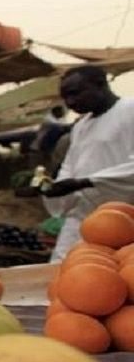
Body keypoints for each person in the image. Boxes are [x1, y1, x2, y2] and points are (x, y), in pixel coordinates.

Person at [42, 65, 134, 262]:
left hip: (123, 219)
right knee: (64, 269)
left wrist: (86, 182)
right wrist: (52, 189)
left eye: (75, 93)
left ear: (100, 84)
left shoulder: (130, 110)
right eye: (65, 97)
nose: (70, 102)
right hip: (82, 218)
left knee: (117, 271)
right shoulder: (81, 126)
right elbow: (70, 167)